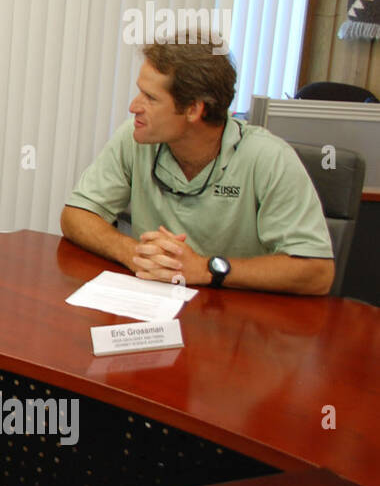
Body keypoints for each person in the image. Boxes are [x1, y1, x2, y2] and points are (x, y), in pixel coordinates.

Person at [60, 37, 335, 295]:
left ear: (194, 109)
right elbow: (76, 216)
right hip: (154, 309)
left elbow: (317, 272)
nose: (134, 106)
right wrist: (133, 253)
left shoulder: (270, 159)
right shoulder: (135, 139)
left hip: (236, 322)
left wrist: (206, 269)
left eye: (151, 98)